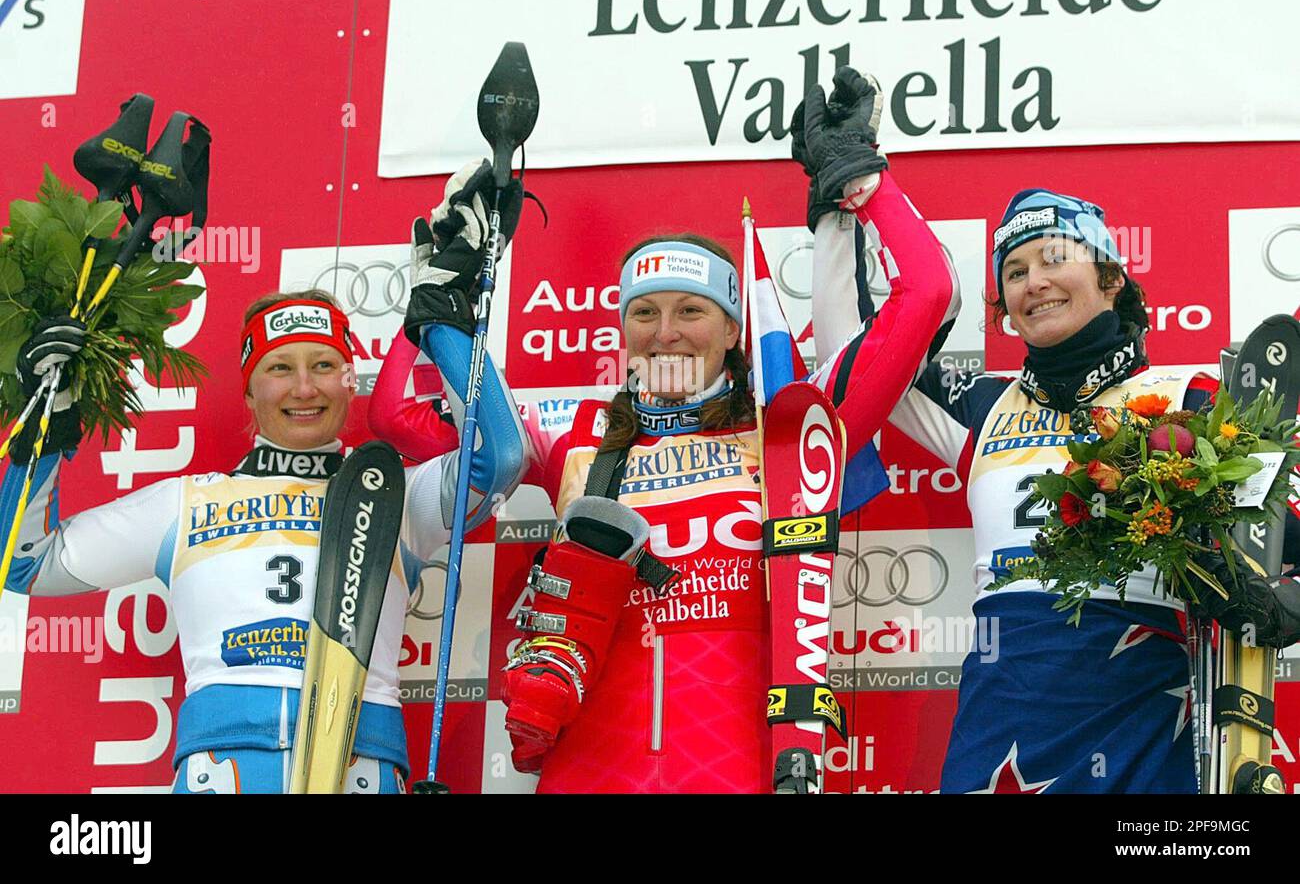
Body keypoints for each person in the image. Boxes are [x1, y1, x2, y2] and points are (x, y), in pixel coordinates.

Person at [375, 68, 961, 793]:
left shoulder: (788, 429)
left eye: (691, 311)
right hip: (590, 766)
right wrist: (440, 303)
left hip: (741, 766)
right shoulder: (577, 433)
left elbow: (926, 292)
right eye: (644, 313)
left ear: (732, 327)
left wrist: (861, 180)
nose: (664, 334)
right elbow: (397, 419)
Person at [813, 186, 1300, 793]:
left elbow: (1281, 543)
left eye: (1054, 259)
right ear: (1005, 308)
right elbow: (850, 361)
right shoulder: (981, 405)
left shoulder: (1194, 399)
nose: (1033, 281)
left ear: (1111, 276)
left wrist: (1280, 605)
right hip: (1002, 725)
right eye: (1015, 272)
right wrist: (845, 199)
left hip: (1147, 724)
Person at [1, 279, 524, 793]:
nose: (304, 388)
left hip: (360, 766)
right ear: (249, 390)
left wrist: (443, 322)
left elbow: (499, 457)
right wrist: (47, 422)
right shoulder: (183, 505)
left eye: (323, 366)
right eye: (280, 368)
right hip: (225, 771)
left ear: (349, 381)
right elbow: (21, 563)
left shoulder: (397, 499)